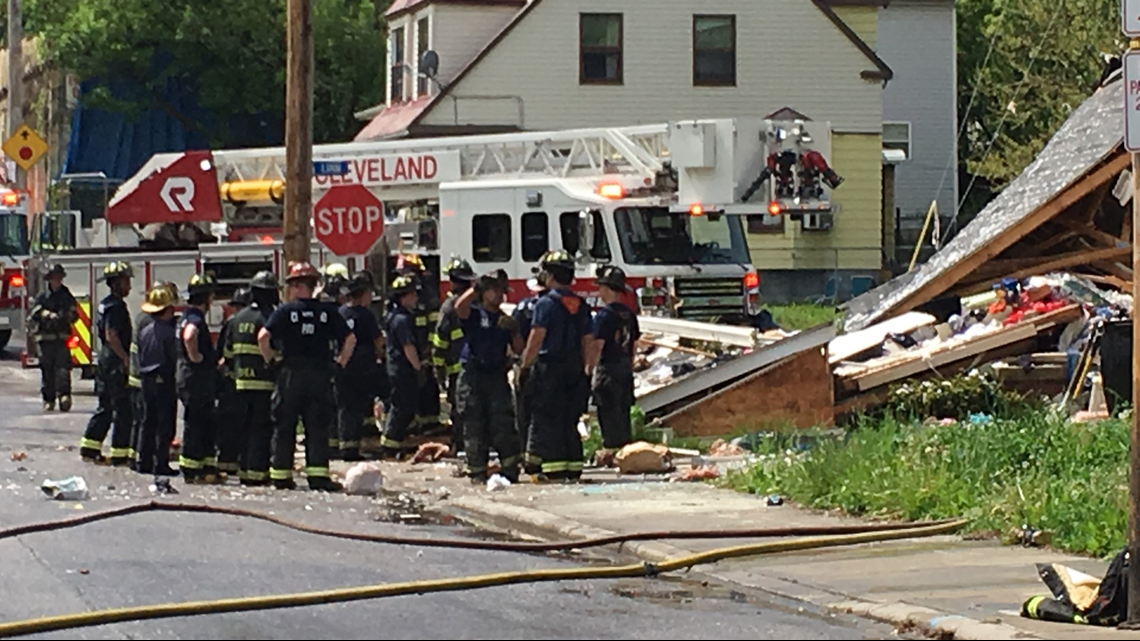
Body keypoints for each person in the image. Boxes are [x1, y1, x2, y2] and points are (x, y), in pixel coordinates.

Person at [258, 262, 354, 492]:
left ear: (298, 286)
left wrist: (271, 361)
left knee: (285, 424)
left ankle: (281, 476)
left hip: (290, 373)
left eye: (291, 285)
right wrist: (339, 364)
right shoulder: (328, 312)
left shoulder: (285, 311)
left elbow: (263, 337)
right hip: (320, 374)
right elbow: (350, 339)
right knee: (317, 426)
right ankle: (318, 476)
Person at [519, 251, 592, 482]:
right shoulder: (581, 305)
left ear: (549, 275)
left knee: (546, 417)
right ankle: (573, 467)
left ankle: (553, 468)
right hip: (574, 367)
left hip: (549, 368)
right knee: (570, 418)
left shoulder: (545, 304)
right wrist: (587, 371)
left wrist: (524, 366)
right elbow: (588, 341)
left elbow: (536, 338)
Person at [455, 271, 524, 483]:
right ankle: (476, 472)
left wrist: (514, 332)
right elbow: (459, 307)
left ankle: (510, 470)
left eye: (501, 290)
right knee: (474, 426)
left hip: (496, 376)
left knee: (502, 424)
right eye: (493, 290)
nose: (498, 295)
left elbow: (518, 349)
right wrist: (475, 288)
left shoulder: (505, 319)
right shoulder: (475, 314)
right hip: (474, 376)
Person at [226, 271, 280, 486]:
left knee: (244, 429)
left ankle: (245, 471)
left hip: (240, 385)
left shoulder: (236, 318)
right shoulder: (271, 318)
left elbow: (228, 354)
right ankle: (258, 474)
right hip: (264, 384)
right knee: (261, 430)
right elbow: (276, 349)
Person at [81, 261, 135, 466]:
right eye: (126, 281)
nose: (129, 286)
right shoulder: (115, 306)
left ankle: (90, 447)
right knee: (122, 408)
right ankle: (120, 454)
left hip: (105, 360)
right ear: (116, 283)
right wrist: (125, 358)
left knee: (105, 405)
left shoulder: (106, 304)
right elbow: (112, 335)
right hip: (114, 362)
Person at [589, 266, 640, 453]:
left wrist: (589, 369)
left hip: (608, 370)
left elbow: (598, 346)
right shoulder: (629, 315)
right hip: (624, 369)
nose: (599, 291)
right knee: (623, 413)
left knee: (608, 414)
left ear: (608, 289)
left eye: (601, 287)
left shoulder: (605, 316)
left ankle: (611, 451)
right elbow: (633, 345)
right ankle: (626, 452)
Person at [129, 281, 178, 469]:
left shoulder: (146, 329)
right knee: (165, 424)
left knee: (148, 422)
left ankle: (144, 461)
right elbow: (172, 357)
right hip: (163, 379)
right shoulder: (168, 333)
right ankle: (161, 464)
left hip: (146, 380)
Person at [178, 273, 221, 483]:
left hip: (188, 377)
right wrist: (197, 356)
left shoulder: (185, 315)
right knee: (197, 422)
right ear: (206, 298)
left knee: (199, 421)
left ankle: (198, 467)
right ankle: (193, 469)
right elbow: (189, 336)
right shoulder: (195, 318)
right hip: (196, 378)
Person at [337, 271, 384, 461]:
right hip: (363, 368)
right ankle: (355, 447)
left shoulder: (340, 313)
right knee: (358, 407)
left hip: (342, 367)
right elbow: (379, 341)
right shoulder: (366, 315)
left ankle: (345, 446)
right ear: (363, 293)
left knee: (344, 407)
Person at [432, 257, 476, 454]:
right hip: (480, 366)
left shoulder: (449, 306)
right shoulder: (478, 302)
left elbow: (440, 341)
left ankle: (461, 446)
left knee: (460, 409)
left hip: (457, 370)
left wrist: (438, 369)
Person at [398, 254, 443, 433]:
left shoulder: (427, 296)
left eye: (407, 272)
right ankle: (412, 425)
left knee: (428, 386)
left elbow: (435, 326)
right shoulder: (401, 295)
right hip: (408, 350)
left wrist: (429, 349)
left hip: (424, 350)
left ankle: (429, 424)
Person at [381, 275, 423, 457]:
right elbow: (408, 347)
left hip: (395, 368)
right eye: (414, 294)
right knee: (402, 406)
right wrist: (418, 368)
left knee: (400, 405)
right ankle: (390, 444)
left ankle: (394, 442)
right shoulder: (402, 320)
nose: (417, 298)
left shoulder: (393, 315)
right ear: (404, 296)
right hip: (403, 369)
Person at [29, 264, 77, 412]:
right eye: (54, 277)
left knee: (63, 369)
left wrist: (64, 316)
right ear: (49, 279)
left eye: (59, 277)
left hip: (61, 338)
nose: (57, 280)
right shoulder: (42, 296)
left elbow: (74, 314)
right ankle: (49, 399)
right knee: (47, 370)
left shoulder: (66, 295)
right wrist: (46, 314)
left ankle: (64, 396)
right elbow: (34, 313)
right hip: (45, 338)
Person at [215, 288, 251, 476]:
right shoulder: (254, 320)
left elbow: (222, 353)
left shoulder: (231, 324)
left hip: (230, 381)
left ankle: (226, 461)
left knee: (228, 423)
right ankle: (235, 461)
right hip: (243, 381)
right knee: (241, 424)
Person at [513, 278, 547, 474]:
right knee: (545, 413)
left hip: (527, 362)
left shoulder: (522, 306)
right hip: (549, 364)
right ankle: (542, 456)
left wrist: (521, 363)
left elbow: (515, 335)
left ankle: (527, 455)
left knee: (523, 412)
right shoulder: (557, 305)